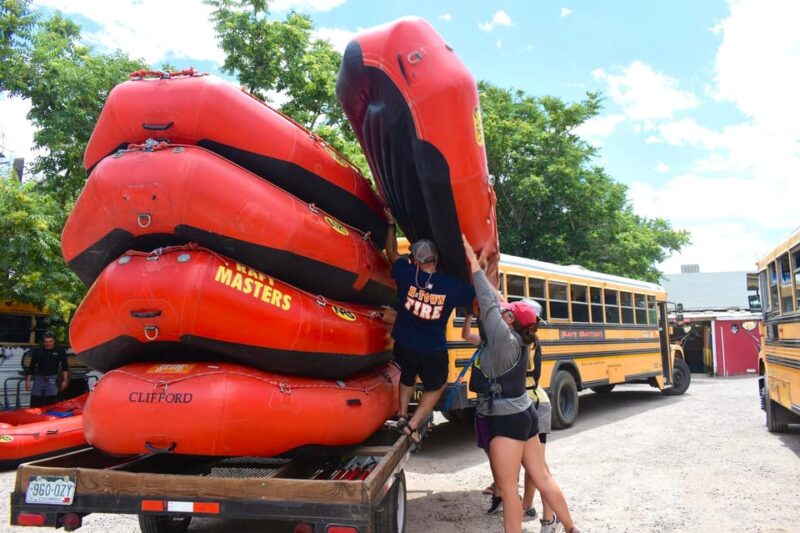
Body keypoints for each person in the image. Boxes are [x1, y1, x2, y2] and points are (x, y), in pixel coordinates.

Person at [463, 235, 580, 533]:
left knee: (509, 490)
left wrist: (474, 264)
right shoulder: (521, 336)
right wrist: (490, 274)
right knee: (542, 476)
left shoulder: (503, 338)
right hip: (525, 414)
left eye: (508, 313)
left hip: (507, 420)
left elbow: (490, 305)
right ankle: (571, 528)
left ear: (511, 322)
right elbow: (498, 303)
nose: (504, 310)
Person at [384, 209, 476, 444]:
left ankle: (403, 415)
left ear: (414, 260)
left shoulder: (406, 274)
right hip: (432, 349)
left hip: (404, 343)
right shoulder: (452, 287)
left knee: (407, 373)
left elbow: (391, 252)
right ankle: (413, 425)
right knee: (437, 384)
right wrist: (479, 263)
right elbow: (477, 296)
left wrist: (391, 224)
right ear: (436, 260)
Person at [24, 331, 69, 407]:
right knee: (34, 402)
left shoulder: (60, 350)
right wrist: (27, 381)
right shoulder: (38, 351)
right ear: (43, 342)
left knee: (51, 404)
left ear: (54, 341)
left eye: (50, 341)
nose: (48, 344)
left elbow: (65, 366)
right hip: (39, 378)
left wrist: (65, 380)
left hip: (52, 379)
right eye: (46, 342)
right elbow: (31, 367)